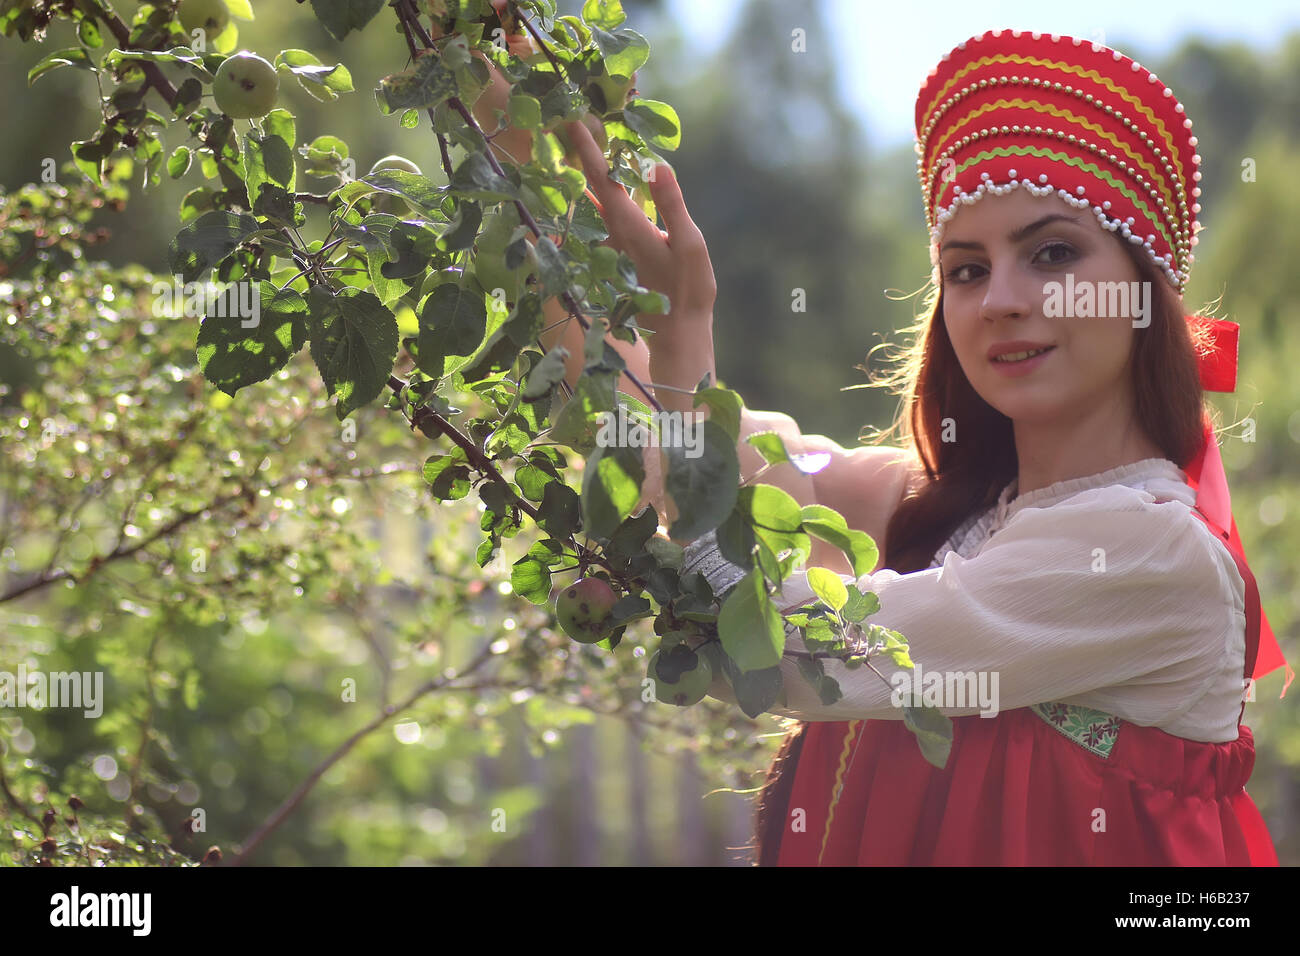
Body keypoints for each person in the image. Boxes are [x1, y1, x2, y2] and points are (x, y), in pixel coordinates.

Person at [455, 21, 1291, 863]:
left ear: (1143, 296)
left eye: (1052, 253)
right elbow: (662, 435)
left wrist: (687, 330)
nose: (1000, 297)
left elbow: (771, 645)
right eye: (966, 268)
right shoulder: (946, 515)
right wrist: (533, 174)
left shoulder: (1147, 556)